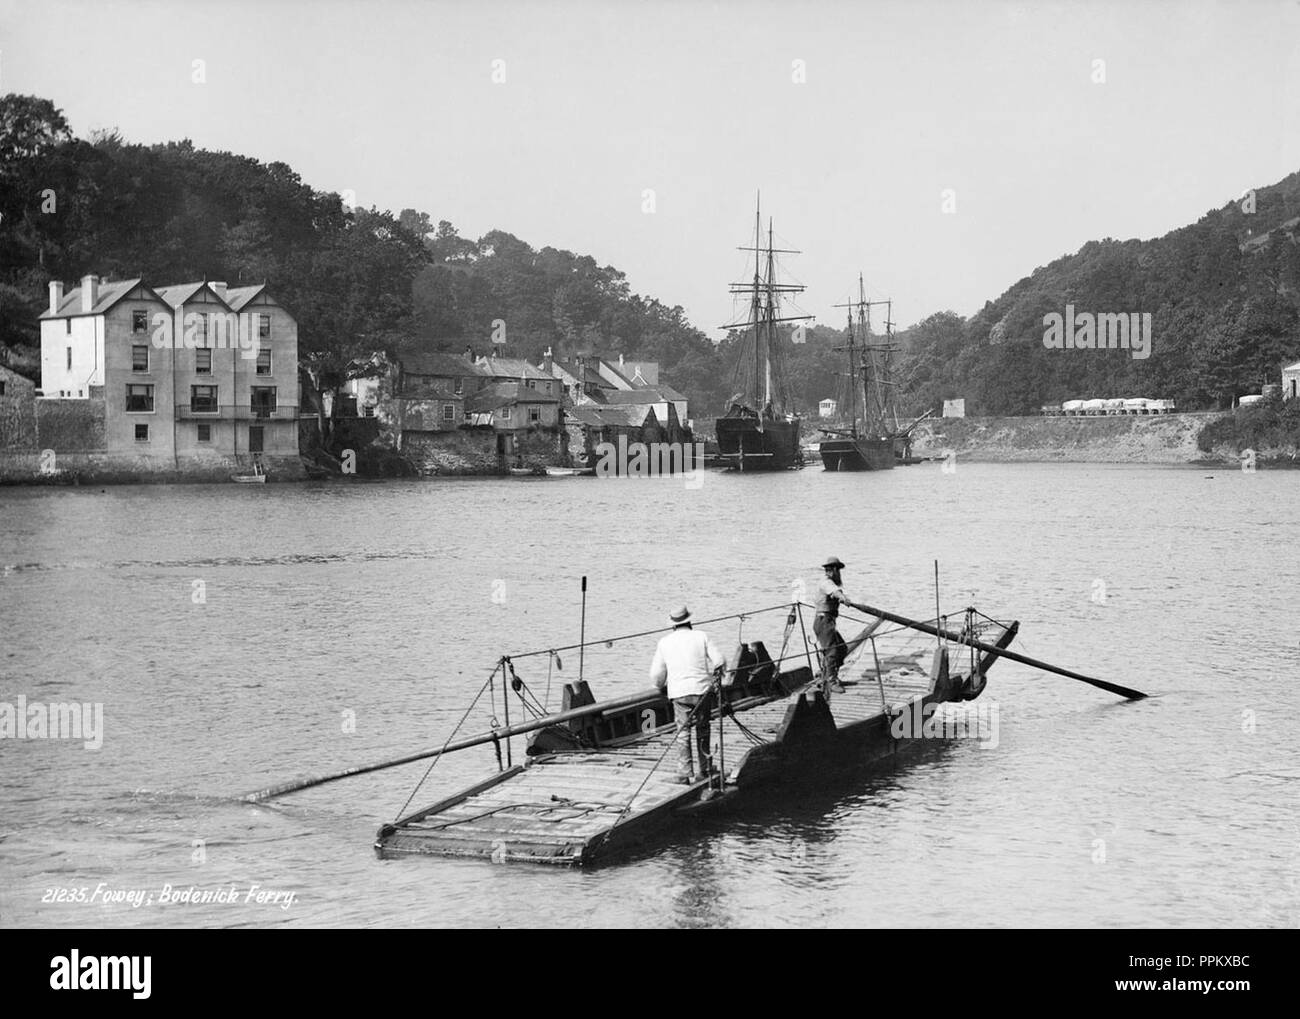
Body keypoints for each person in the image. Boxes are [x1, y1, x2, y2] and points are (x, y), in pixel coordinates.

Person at [649, 606, 727, 783]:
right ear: (689, 621)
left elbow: (656, 675)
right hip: (702, 691)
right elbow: (719, 661)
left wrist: (660, 686)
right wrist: (717, 676)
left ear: (673, 625)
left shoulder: (664, 642)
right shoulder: (701, 636)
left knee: (682, 732)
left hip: (679, 693)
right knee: (703, 729)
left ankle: (685, 773)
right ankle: (705, 770)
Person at [813, 556, 873, 693]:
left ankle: (829, 676)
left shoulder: (829, 582)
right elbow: (834, 591)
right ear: (833, 570)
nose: (839, 574)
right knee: (832, 651)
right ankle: (831, 682)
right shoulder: (826, 582)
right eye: (838, 570)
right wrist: (843, 598)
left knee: (841, 649)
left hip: (828, 622)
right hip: (823, 622)